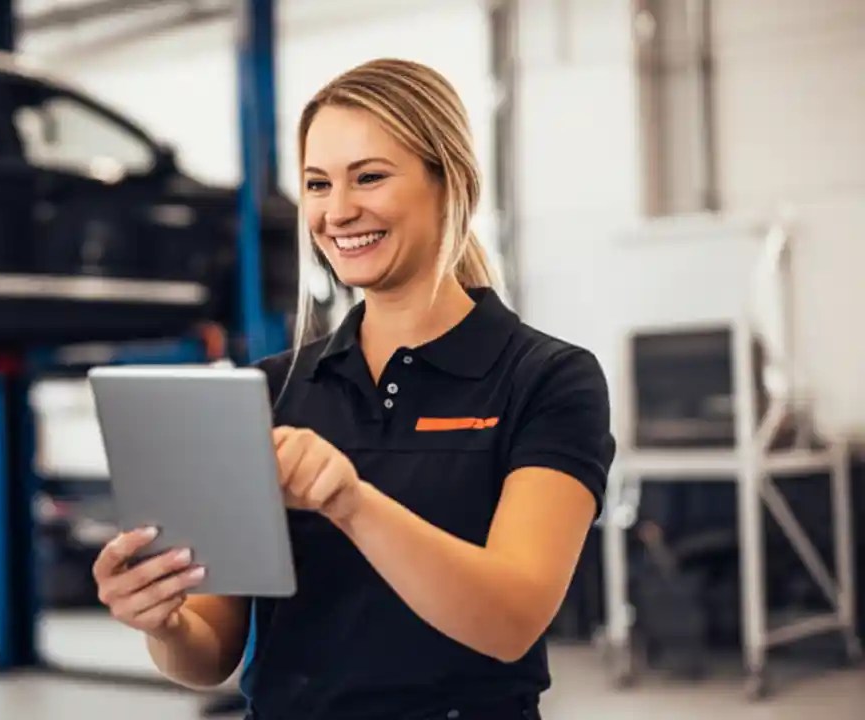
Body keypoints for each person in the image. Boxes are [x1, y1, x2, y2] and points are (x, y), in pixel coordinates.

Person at [93, 58, 616, 719]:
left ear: (451, 183)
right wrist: (162, 620)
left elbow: (510, 621)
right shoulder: (269, 389)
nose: (338, 211)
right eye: (317, 184)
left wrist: (352, 503)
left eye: (369, 177)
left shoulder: (546, 379)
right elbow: (213, 651)